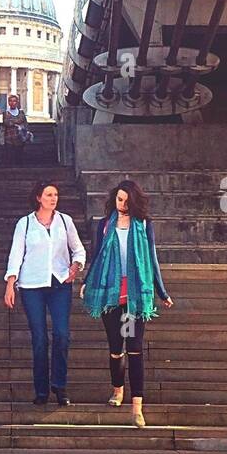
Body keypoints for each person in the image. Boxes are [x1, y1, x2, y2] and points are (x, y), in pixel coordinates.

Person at [81, 180, 172, 428]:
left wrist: (161, 292)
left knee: (135, 350)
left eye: (126, 200)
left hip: (135, 296)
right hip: (110, 295)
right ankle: (118, 389)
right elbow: (97, 255)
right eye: (119, 199)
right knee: (115, 348)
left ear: (134, 201)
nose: (122, 204)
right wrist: (87, 281)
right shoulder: (105, 224)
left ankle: (137, 408)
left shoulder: (144, 224)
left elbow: (151, 259)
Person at [3, 182, 86, 405]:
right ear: (39, 198)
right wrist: (10, 283)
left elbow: (78, 249)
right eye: (48, 195)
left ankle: (59, 385)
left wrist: (75, 267)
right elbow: (16, 254)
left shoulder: (65, 221)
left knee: (62, 334)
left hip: (59, 283)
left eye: (56, 194)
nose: (53, 198)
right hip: (32, 285)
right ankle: (41, 390)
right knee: (39, 338)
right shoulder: (26, 223)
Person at [2, 92, 32, 165]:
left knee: (19, 158)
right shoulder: (5, 113)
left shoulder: (21, 112)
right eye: (11, 101)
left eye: (14, 101)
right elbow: (6, 123)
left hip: (20, 138)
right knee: (9, 158)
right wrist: (18, 121)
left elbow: (25, 123)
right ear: (8, 102)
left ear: (17, 102)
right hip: (9, 139)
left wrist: (12, 122)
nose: (12, 103)